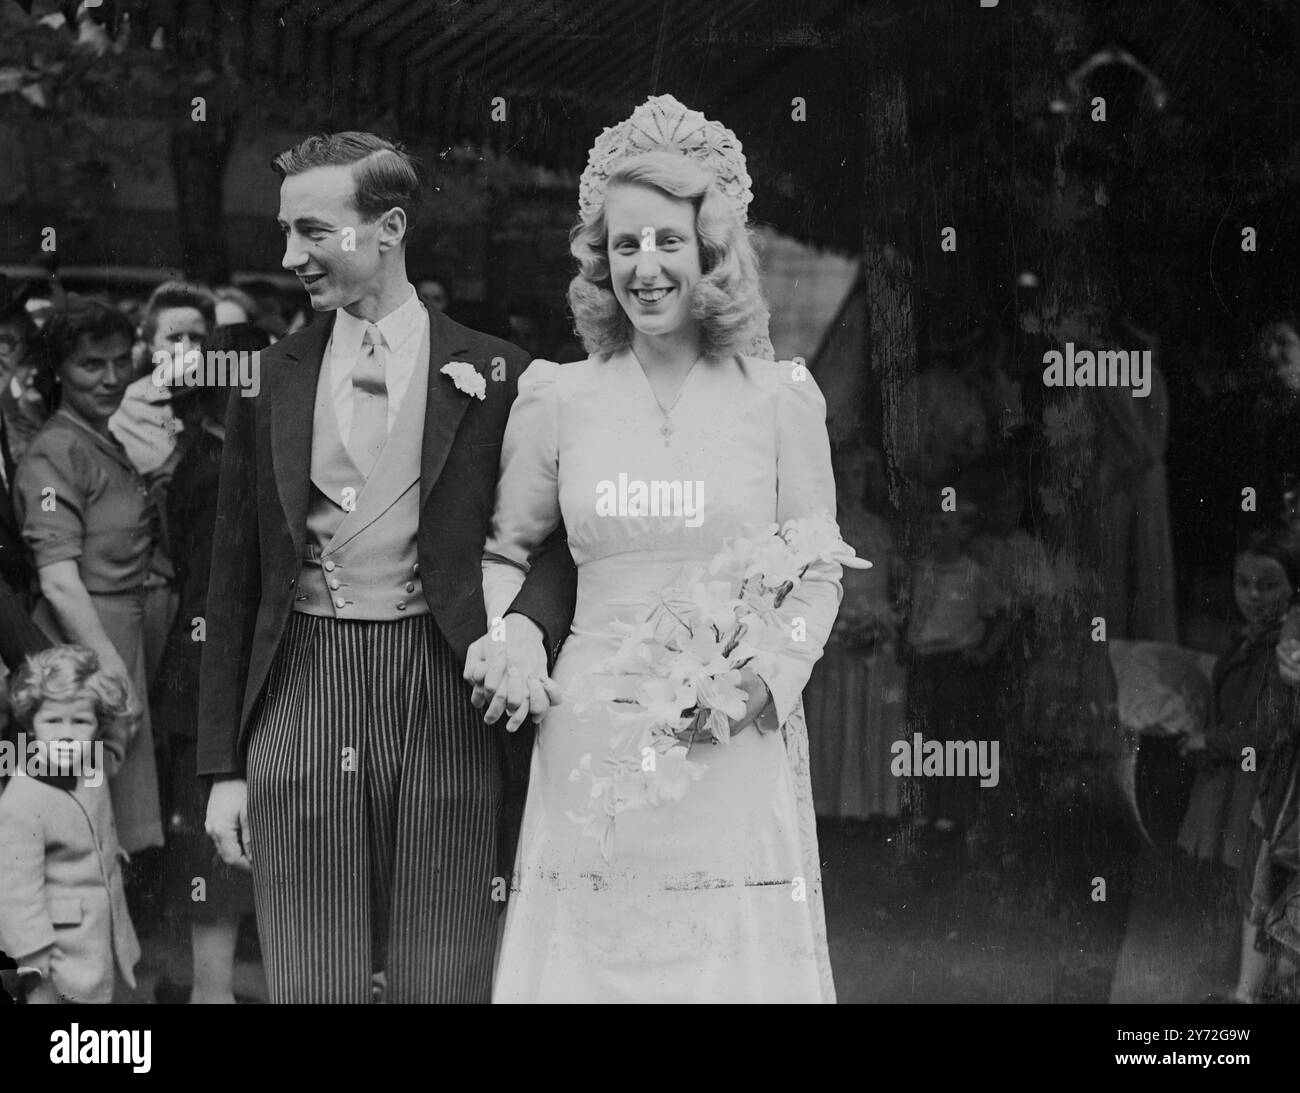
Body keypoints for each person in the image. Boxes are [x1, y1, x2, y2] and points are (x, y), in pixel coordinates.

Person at [197, 131, 577, 1004]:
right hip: (301, 682)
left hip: (444, 684)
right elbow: (232, 581)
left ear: (390, 226)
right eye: (286, 233)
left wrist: (523, 628)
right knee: (312, 966)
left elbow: (561, 537)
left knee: (442, 967)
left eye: (313, 232)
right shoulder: (268, 380)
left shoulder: (502, 373)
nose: (290, 256)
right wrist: (223, 768)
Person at [478, 96, 840, 1003]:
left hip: (728, 736)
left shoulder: (780, 398)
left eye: (667, 242)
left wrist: (763, 679)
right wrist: (513, 639)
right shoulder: (557, 396)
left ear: (710, 250)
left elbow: (818, 568)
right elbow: (507, 552)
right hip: (591, 736)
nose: (644, 268)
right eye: (624, 244)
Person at [14, 297, 163, 854]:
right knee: (80, 829)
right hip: (81, 646)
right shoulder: (56, 452)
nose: (111, 378)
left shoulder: (99, 438)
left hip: (115, 635)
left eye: (122, 361)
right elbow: (57, 581)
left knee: (112, 826)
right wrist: (111, 670)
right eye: (91, 365)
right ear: (58, 370)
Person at [153, 323, 265, 1004]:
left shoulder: (204, 457)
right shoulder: (225, 470)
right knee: (214, 846)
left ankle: (212, 988)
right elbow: (216, 593)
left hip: (196, 674)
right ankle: (212, 992)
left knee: (213, 840)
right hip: (208, 677)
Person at [0, 645, 140, 1004]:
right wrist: (33, 960)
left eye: (80, 722)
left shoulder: (92, 768)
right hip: (54, 955)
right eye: (52, 721)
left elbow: (98, 823)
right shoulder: (20, 802)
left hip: (102, 935)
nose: (66, 735)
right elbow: (16, 894)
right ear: (30, 723)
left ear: (98, 726)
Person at [1179, 528, 1298, 870]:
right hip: (1227, 784)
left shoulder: (1285, 651)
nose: (1253, 595)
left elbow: (1271, 730)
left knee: (1245, 884)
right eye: (1242, 583)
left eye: (1268, 585)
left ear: (1293, 588)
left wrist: (1210, 740)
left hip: (1254, 788)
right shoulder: (1246, 639)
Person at [806, 443, 905, 820]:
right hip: (836, 633)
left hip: (874, 632)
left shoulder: (880, 528)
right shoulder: (827, 527)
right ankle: (832, 804)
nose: (850, 483)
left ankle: (871, 803)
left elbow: (893, 585)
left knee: (871, 717)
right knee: (834, 717)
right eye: (843, 476)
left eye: (858, 475)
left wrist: (881, 622)